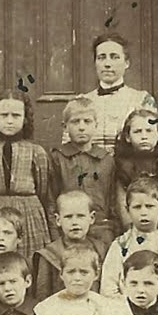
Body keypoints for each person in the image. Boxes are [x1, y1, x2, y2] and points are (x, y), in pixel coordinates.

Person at [0, 88, 55, 261]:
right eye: (4, 115)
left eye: (16, 115)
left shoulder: (36, 151)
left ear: (25, 119)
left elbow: (43, 191)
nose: (9, 121)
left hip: (29, 214)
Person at [101, 177, 158, 298]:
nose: (143, 212)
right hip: (128, 309)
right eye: (137, 207)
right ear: (127, 210)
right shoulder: (121, 245)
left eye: (149, 206)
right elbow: (108, 288)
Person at [50, 96, 118, 248]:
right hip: (68, 231)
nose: (81, 127)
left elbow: (113, 200)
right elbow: (50, 200)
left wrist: (114, 231)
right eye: (75, 122)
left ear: (96, 125)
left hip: (101, 230)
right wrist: (55, 235)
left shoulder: (106, 159)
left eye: (87, 121)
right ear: (65, 127)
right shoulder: (57, 158)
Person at [82, 31, 158, 146]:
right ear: (95, 63)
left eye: (114, 57)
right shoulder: (82, 102)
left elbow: (151, 142)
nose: (107, 64)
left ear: (126, 63)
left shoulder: (142, 100)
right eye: (101, 58)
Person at [112, 108, 158, 231]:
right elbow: (121, 201)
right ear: (127, 136)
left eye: (149, 131)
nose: (144, 136)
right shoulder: (122, 165)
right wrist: (130, 228)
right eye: (138, 132)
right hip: (132, 225)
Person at [34, 190, 103, 302]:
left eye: (80, 216)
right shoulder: (49, 254)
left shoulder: (101, 249)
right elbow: (42, 295)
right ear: (58, 220)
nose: (74, 222)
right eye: (68, 217)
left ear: (91, 218)